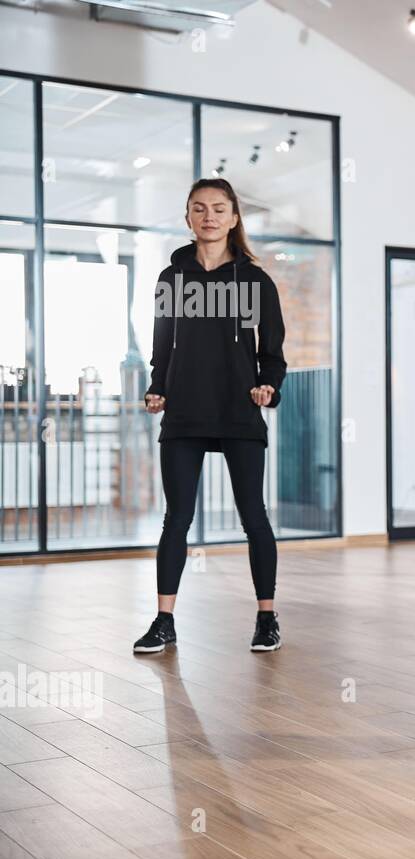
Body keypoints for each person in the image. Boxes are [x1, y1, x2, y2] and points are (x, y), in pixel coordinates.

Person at [134, 178, 287, 654]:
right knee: (176, 518)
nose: (209, 216)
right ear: (188, 218)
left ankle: (266, 618)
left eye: (219, 208)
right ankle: (164, 621)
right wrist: (157, 389)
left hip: (238, 410)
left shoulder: (256, 282)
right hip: (184, 413)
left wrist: (269, 387)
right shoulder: (170, 279)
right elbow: (161, 348)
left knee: (253, 517)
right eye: (199, 209)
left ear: (234, 217)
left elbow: (274, 353)